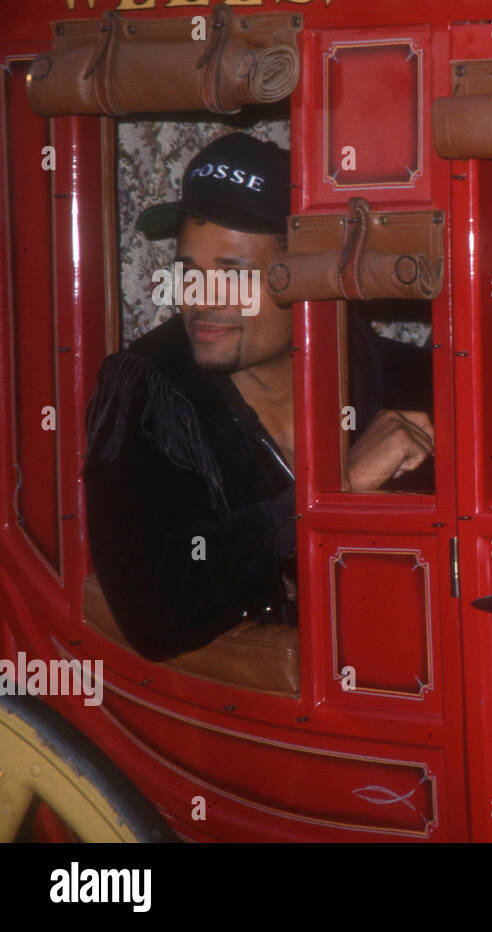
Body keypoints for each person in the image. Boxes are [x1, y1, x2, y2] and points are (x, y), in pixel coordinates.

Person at [84, 133, 434, 661]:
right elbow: (151, 611)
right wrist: (330, 495)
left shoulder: (407, 379)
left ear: (309, 273)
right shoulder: (149, 389)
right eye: (190, 272)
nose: (201, 299)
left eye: (235, 272)